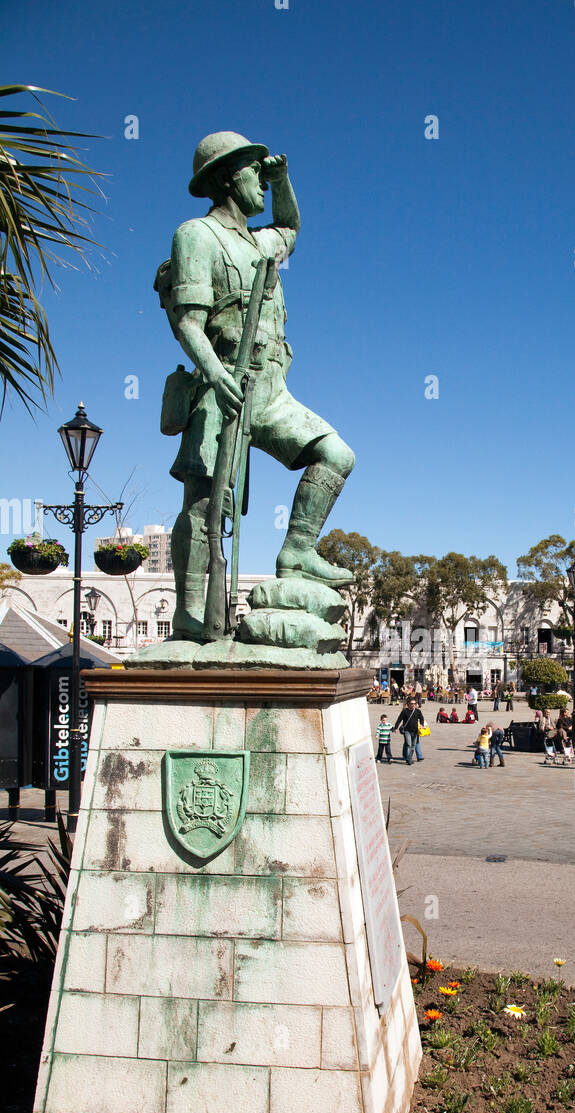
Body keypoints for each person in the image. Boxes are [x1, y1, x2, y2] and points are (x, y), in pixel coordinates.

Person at [163, 132, 356, 641]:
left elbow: (291, 225)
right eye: (254, 173)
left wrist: (283, 179)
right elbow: (188, 322)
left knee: (335, 455)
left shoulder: (262, 241)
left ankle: (298, 550)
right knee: (205, 505)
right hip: (220, 386)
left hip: (271, 389)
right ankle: (188, 611)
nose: (261, 186)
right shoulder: (197, 235)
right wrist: (215, 373)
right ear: (228, 177)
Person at [394, 697, 427, 765]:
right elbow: (399, 719)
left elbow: (421, 718)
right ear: (408, 704)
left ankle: (409, 757)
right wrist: (396, 728)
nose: (413, 705)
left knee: (413, 745)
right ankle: (409, 759)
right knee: (409, 744)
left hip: (415, 731)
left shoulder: (417, 711)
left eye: (414, 703)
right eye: (412, 704)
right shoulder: (404, 711)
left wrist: (421, 724)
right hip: (407, 731)